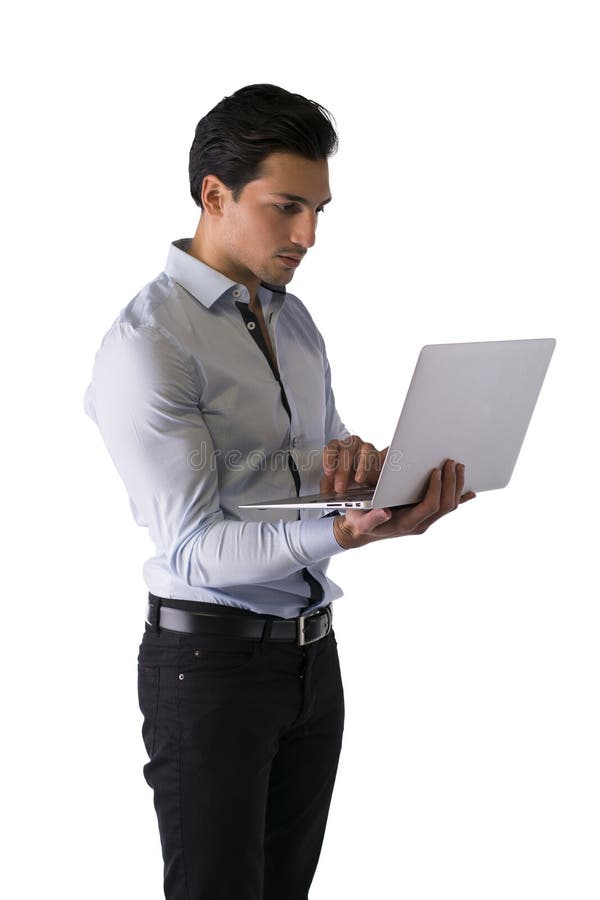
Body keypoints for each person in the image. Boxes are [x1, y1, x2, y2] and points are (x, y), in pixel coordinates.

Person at [84, 83, 475, 900]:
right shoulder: (148, 346)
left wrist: (367, 481)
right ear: (214, 195)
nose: (309, 235)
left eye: (320, 210)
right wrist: (345, 534)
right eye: (288, 207)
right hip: (209, 667)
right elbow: (194, 546)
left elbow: (305, 481)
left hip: (310, 658)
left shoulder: (293, 320)